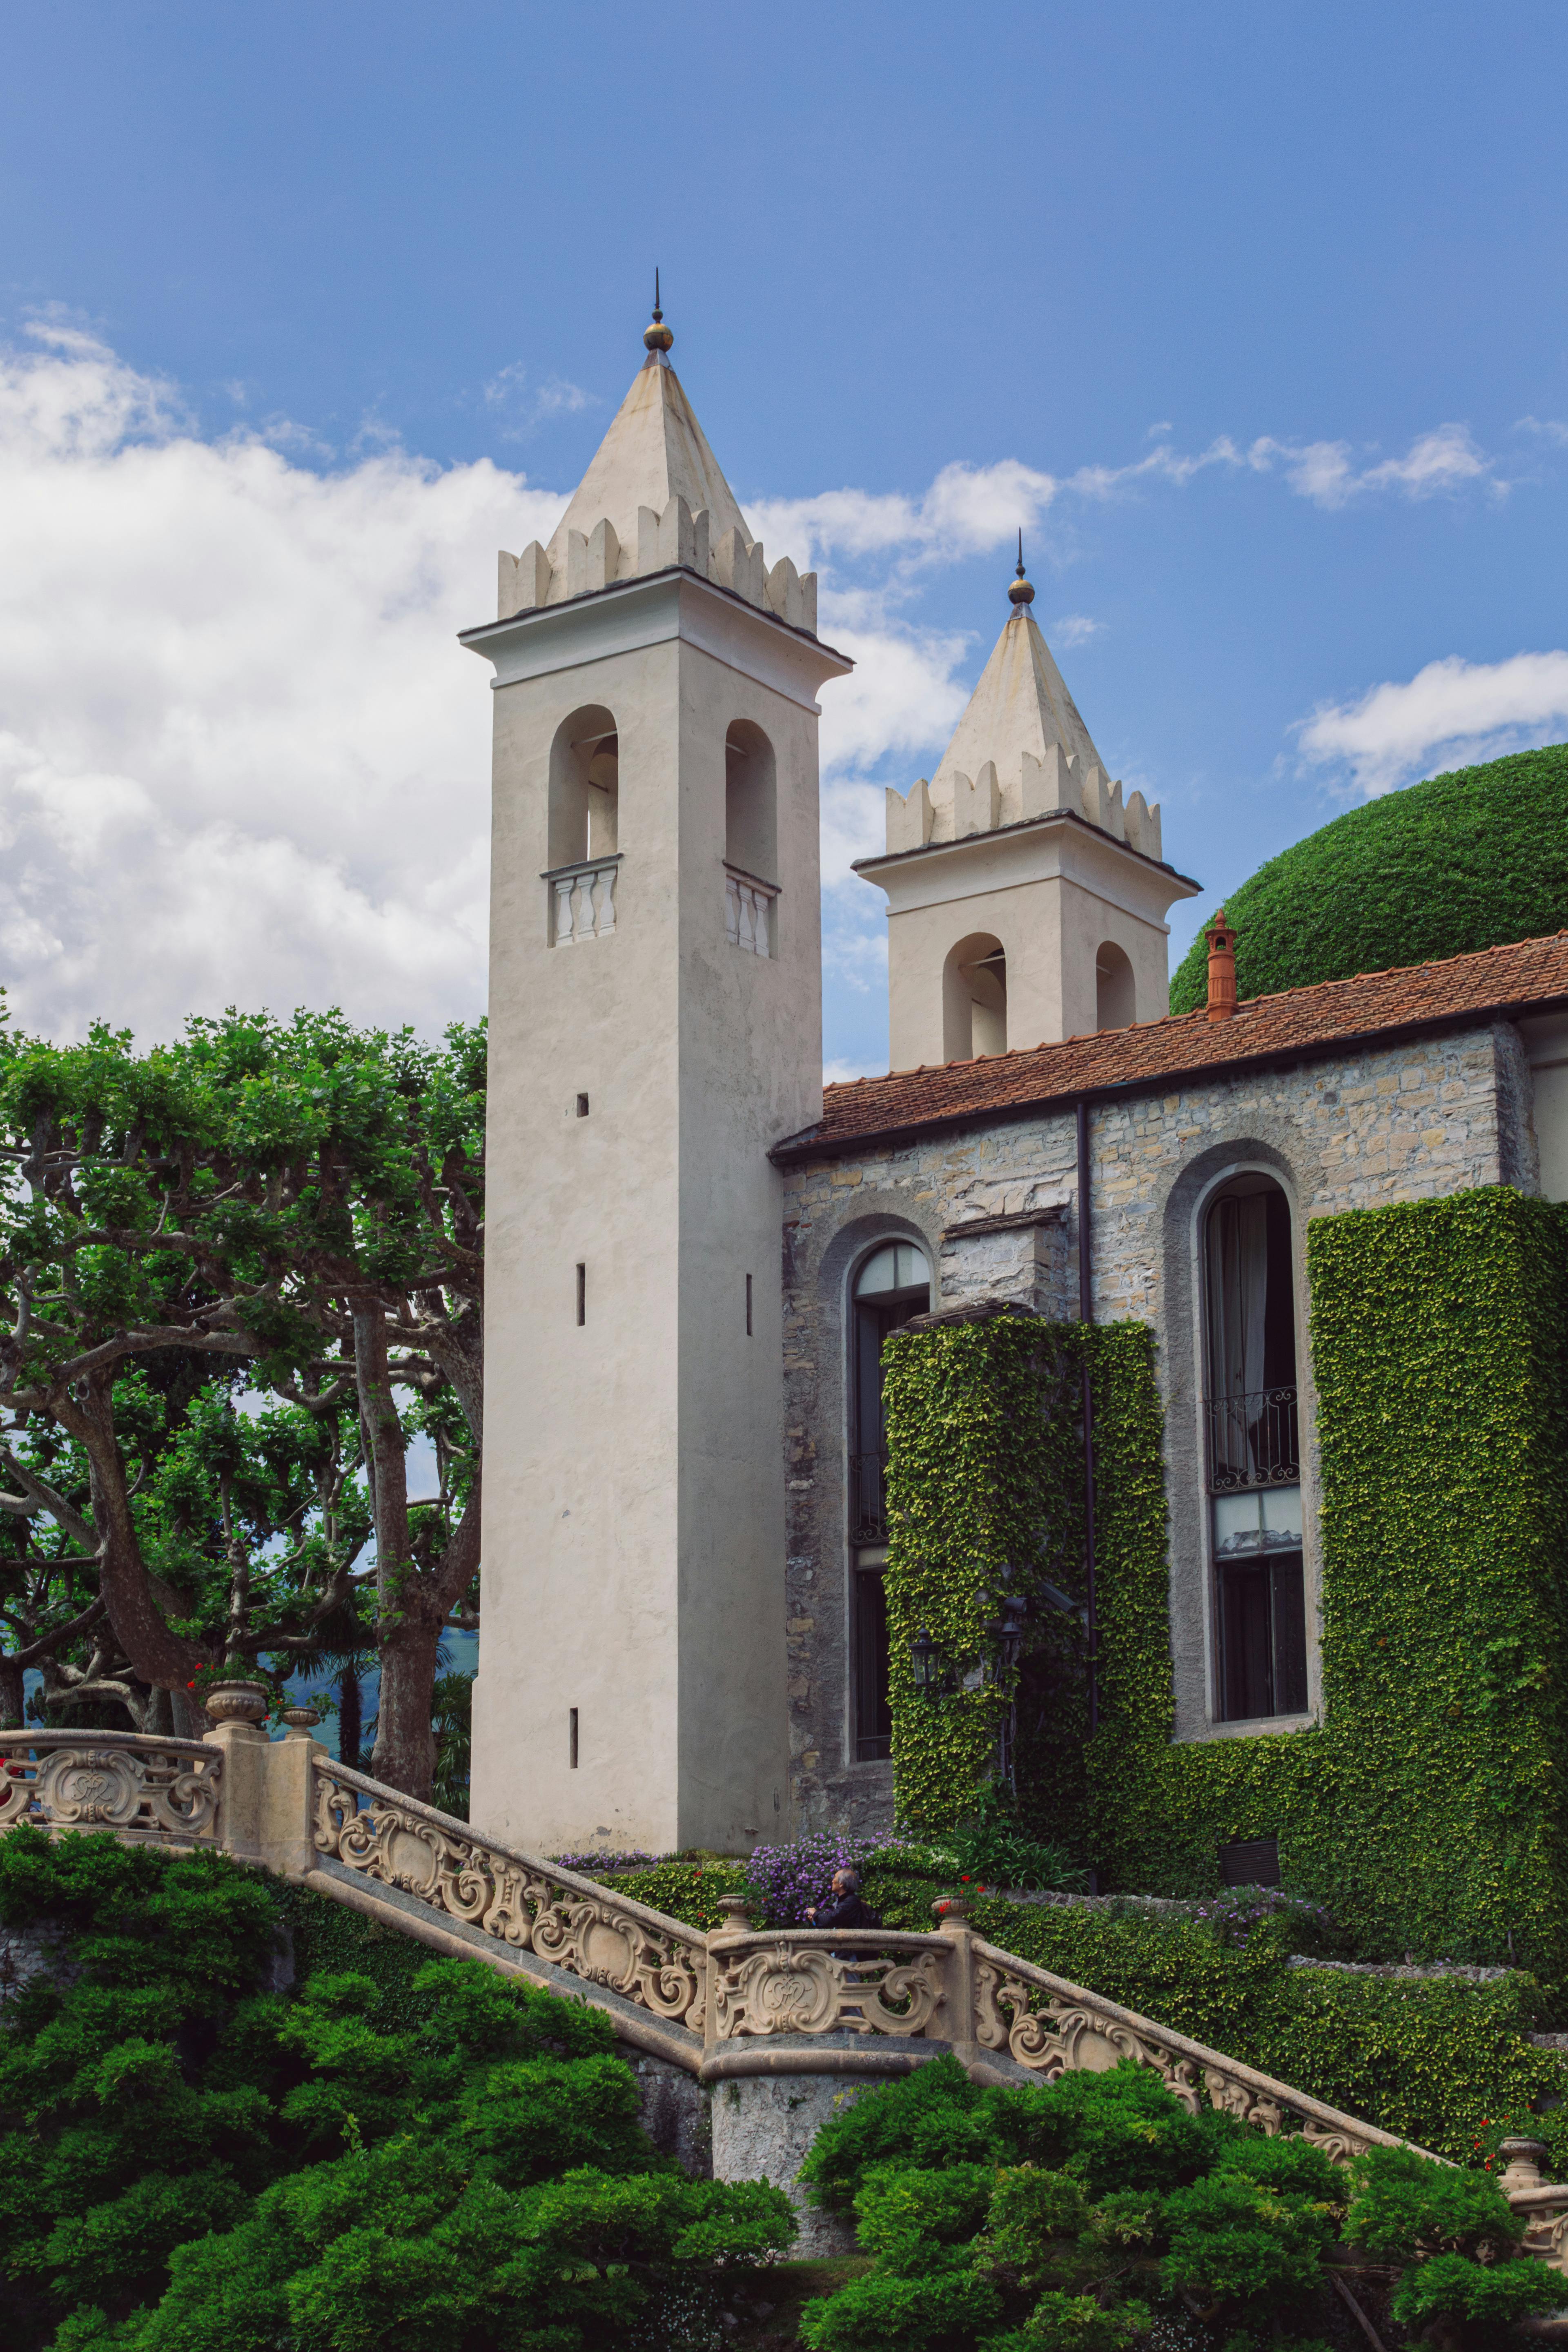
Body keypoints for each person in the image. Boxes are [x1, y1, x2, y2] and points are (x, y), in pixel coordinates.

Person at [805, 1866, 881, 1932]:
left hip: (852, 1948)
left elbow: (832, 1919)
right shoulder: (845, 1900)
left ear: (841, 1883)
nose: (832, 1881)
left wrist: (815, 1914)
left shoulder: (851, 1902)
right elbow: (833, 1924)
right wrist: (815, 1921)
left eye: (835, 1878)